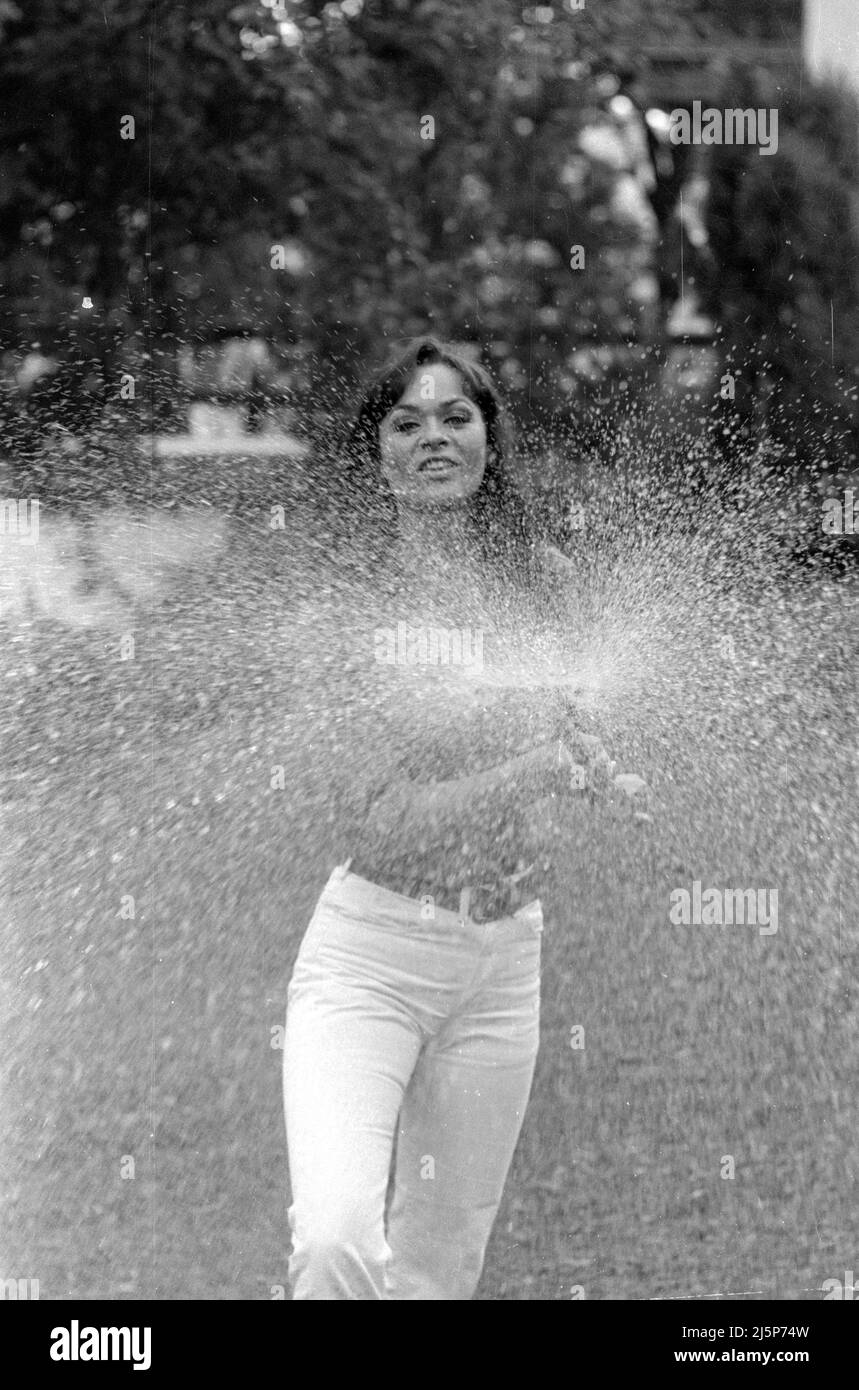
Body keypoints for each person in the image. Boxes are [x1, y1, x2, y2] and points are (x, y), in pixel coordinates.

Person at [282, 337, 646, 1300]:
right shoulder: (343, 600)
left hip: (501, 962)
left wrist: (589, 766)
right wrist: (537, 768)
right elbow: (379, 823)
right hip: (371, 957)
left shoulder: (547, 580)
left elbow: (565, 727)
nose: (433, 436)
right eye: (405, 421)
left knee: (440, 1274)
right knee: (335, 1242)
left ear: (490, 437)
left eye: (455, 416)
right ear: (378, 453)